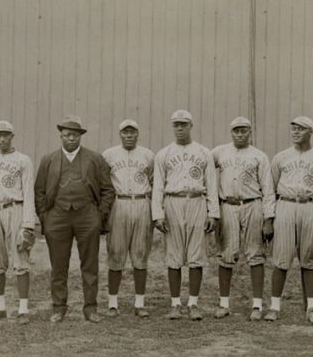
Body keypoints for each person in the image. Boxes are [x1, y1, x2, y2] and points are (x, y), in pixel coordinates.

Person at [35, 115, 115, 323]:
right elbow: (39, 191)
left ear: (80, 137)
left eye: (74, 135)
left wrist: (99, 216)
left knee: (89, 265)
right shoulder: (48, 159)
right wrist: (46, 217)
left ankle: (90, 308)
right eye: (67, 135)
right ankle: (58, 307)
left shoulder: (94, 159)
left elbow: (108, 190)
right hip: (58, 217)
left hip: (87, 216)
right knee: (58, 265)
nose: (71, 139)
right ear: (60, 136)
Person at [265, 117, 313, 326]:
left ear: (310, 132)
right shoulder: (281, 157)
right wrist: (269, 218)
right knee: (281, 259)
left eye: (301, 129)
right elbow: (270, 190)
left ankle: (311, 308)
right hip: (285, 204)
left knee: (309, 259)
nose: (295, 132)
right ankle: (274, 307)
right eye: (293, 128)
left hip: (310, 205)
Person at [152, 109, 219, 321]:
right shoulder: (163, 154)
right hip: (173, 201)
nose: (179, 128)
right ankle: (175, 304)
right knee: (174, 254)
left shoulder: (203, 152)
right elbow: (157, 187)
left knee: (196, 255)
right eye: (176, 125)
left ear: (191, 126)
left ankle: (193, 303)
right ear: (172, 127)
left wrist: (213, 213)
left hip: (197, 200)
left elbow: (211, 184)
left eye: (183, 124)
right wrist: (157, 214)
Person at [211, 117, 275, 321]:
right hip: (228, 205)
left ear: (250, 132)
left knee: (255, 254)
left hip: (252, 203)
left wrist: (268, 218)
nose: (240, 134)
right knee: (226, 253)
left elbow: (268, 188)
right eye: (236, 131)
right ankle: (223, 304)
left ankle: (257, 305)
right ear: (231, 132)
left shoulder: (259, 156)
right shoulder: (219, 152)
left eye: (244, 131)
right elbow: (203, 169)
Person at [0, 121, 36, 325]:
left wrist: (28, 223)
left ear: (13, 137)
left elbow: (29, 192)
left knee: (21, 259)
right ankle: (1, 307)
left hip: (16, 208)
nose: (2, 139)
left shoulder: (23, 160)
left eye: (6, 135)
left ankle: (23, 309)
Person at [102, 119, 154, 318]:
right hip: (119, 202)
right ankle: (113, 303)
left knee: (140, 254)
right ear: (120, 134)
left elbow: (154, 181)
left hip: (141, 202)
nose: (129, 135)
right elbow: (103, 184)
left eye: (132, 132)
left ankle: (139, 303)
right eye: (125, 132)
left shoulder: (148, 155)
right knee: (116, 254)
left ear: (137, 134)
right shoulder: (109, 155)